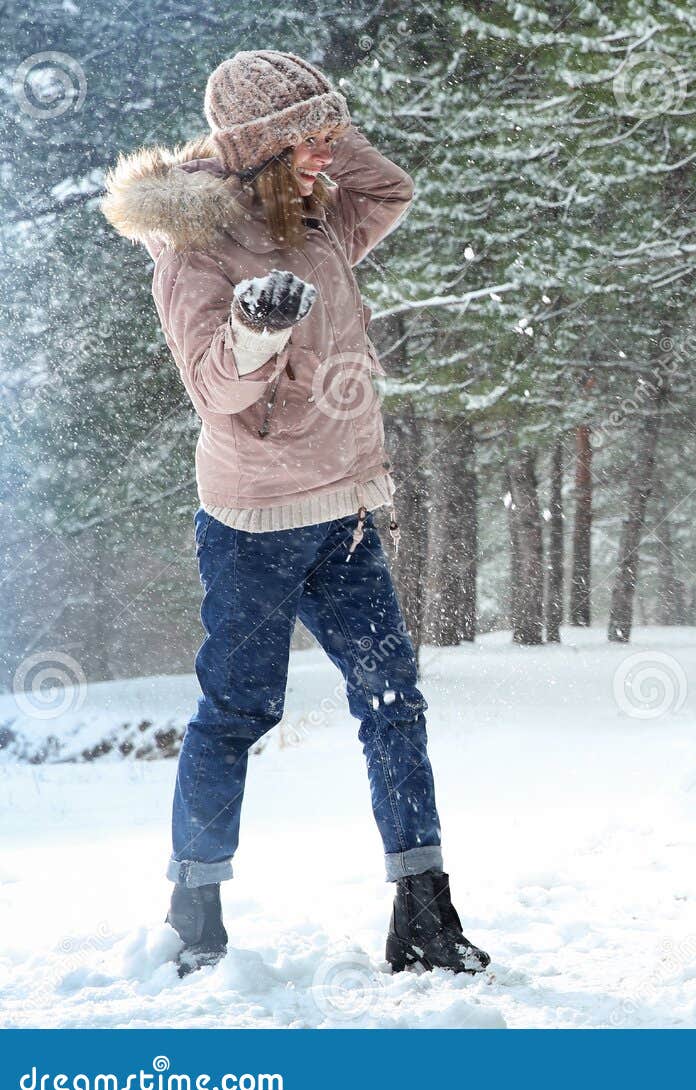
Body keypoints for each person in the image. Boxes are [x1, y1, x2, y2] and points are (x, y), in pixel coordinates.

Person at [102, 50, 488, 976]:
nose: (330, 156)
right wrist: (256, 328)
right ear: (262, 150)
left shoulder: (317, 220)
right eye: (309, 141)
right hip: (253, 526)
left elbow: (388, 188)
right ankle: (194, 908)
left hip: (348, 510)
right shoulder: (196, 247)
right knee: (238, 709)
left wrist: (319, 132)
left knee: (394, 699)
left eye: (329, 138)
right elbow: (215, 389)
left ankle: (424, 907)